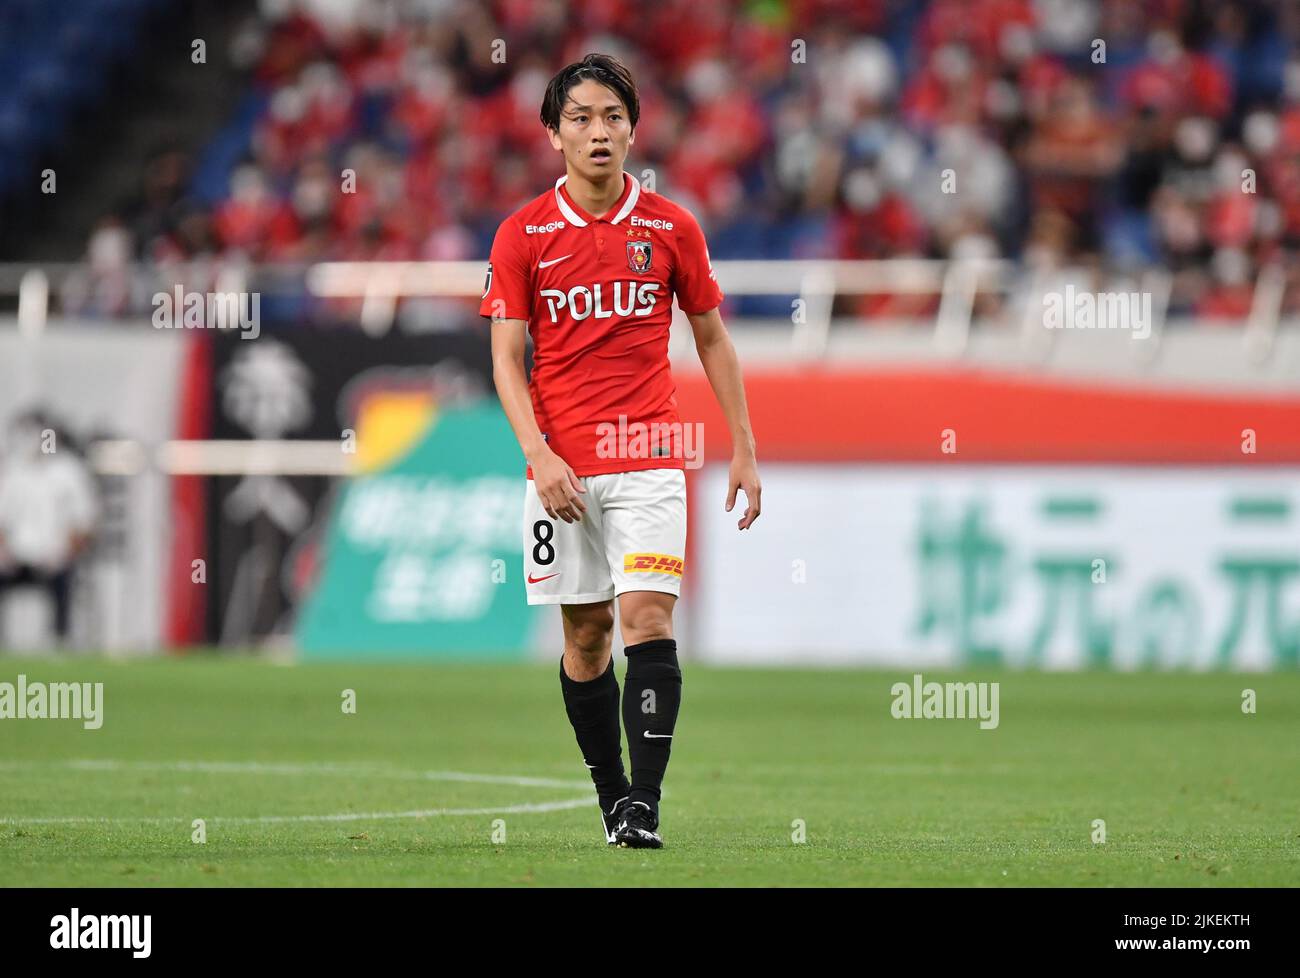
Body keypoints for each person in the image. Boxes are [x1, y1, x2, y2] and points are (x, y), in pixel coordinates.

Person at [481, 54, 761, 849]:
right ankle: (611, 797)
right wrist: (539, 455)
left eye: (612, 116)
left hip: (647, 453)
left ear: (634, 128)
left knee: (646, 619)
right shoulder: (523, 233)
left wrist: (744, 446)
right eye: (581, 118)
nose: (598, 131)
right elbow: (507, 359)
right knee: (587, 638)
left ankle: (645, 802)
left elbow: (712, 336)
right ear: (553, 134)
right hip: (559, 469)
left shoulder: (671, 226)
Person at [0, 411, 100, 646]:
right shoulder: (13, 471)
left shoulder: (69, 471)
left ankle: (59, 640)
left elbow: (84, 521)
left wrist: (66, 554)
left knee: (64, 579)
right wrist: (5, 553)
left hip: (55, 558)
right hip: (17, 558)